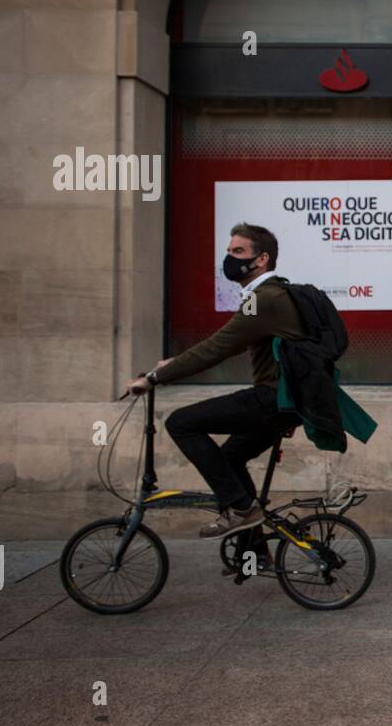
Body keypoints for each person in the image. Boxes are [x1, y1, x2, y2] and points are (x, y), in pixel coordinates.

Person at [125, 223, 307, 542]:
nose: (229, 258)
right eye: (228, 252)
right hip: (285, 401)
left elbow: (216, 348)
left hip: (272, 399)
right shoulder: (270, 295)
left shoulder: (264, 299)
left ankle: (241, 509)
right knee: (230, 458)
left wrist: (154, 378)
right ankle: (253, 551)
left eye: (238, 251)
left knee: (181, 422)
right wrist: (173, 365)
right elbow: (225, 344)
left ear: (261, 259)